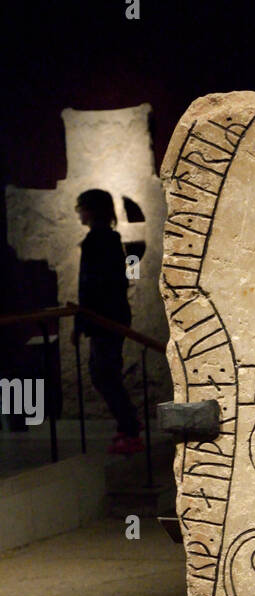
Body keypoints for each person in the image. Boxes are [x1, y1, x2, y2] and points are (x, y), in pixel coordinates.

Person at [75, 188, 142, 455]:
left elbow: (92, 286)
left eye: (80, 206)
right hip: (106, 317)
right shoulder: (106, 239)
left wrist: (84, 320)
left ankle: (129, 427)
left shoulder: (98, 240)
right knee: (104, 374)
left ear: (91, 210)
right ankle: (127, 426)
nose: (78, 211)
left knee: (104, 374)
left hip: (104, 318)